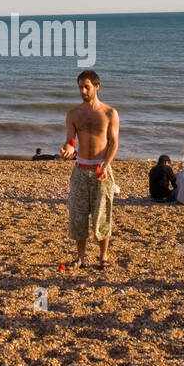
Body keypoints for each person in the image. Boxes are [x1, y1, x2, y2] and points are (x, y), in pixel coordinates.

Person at [60, 70, 119, 269]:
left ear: (96, 86)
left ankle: (103, 257)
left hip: (101, 170)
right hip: (80, 170)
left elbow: (113, 143)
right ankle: (81, 258)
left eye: (86, 87)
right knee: (78, 215)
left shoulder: (110, 113)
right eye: (80, 87)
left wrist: (106, 164)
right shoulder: (74, 114)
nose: (83, 91)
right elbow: (71, 140)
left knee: (102, 215)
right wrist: (68, 149)